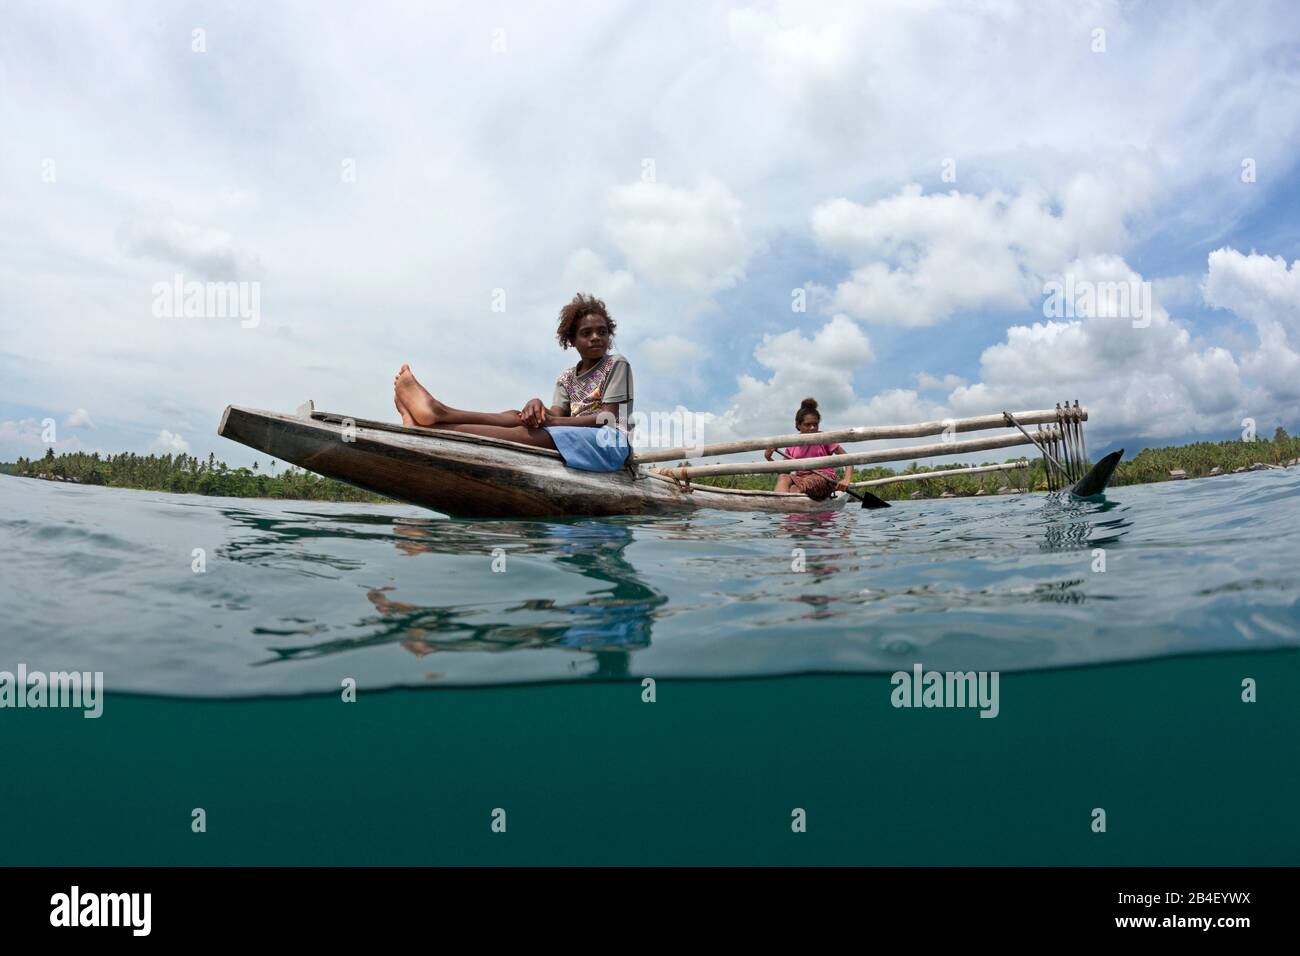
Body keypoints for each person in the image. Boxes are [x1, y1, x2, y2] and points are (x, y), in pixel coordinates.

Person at [392, 293, 633, 472]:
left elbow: (608, 418)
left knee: (525, 434)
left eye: (602, 332)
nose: (595, 338)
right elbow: (554, 414)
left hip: (608, 442)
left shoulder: (616, 364)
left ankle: (429, 428)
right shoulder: (566, 377)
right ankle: (439, 412)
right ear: (571, 340)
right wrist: (535, 407)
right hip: (574, 433)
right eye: (586, 333)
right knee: (517, 416)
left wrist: (552, 421)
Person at [764, 398, 853, 500]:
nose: (812, 428)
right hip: (801, 480)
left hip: (824, 478)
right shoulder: (791, 443)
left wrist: (846, 479)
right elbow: (784, 472)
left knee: (794, 489)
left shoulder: (824, 438)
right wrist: (769, 458)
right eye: (808, 425)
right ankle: (778, 505)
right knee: (783, 478)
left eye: (815, 424)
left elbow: (848, 460)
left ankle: (786, 506)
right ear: (798, 424)